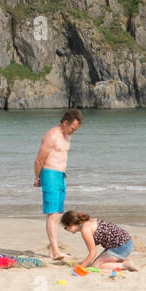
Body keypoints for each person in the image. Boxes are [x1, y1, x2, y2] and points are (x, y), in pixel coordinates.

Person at [34, 109, 83, 260]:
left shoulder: (66, 135)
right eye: (72, 128)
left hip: (60, 175)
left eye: (76, 130)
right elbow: (39, 160)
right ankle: (55, 250)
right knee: (53, 214)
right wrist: (37, 178)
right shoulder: (52, 135)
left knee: (58, 213)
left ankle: (52, 251)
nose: (73, 132)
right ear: (65, 122)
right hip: (49, 174)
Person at [60, 210, 138, 272]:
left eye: (66, 227)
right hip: (124, 242)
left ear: (71, 225)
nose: (66, 230)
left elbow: (93, 252)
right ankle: (119, 260)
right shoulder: (88, 221)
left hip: (121, 246)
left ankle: (125, 265)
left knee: (96, 266)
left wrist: (81, 267)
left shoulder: (85, 229)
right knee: (97, 262)